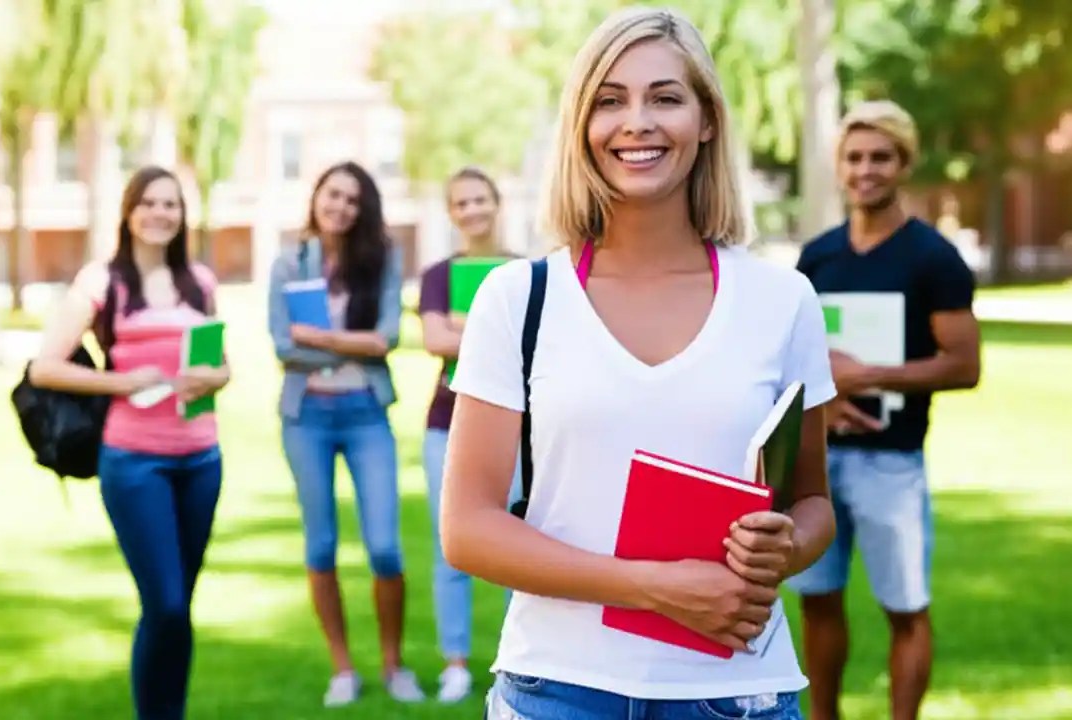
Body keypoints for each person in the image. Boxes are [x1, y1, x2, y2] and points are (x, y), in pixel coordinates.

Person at [440, 7, 840, 719]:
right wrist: (656, 587)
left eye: (665, 97)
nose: (637, 123)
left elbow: (812, 505)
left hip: (736, 694)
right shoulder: (517, 297)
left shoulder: (784, 300)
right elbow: (467, 528)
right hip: (556, 691)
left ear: (707, 119)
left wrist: (785, 546)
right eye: (610, 100)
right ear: (581, 127)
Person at [786, 100, 982, 720]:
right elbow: (798, 355)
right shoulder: (816, 257)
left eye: (880, 157)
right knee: (817, 600)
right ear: (838, 166)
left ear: (904, 164)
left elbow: (963, 365)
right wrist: (832, 399)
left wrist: (866, 375)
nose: (865, 170)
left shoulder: (933, 258)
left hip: (892, 463)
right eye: (854, 157)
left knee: (904, 608)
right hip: (818, 459)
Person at [29, 165, 230, 720]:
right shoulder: (103, 282)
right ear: (129, 212)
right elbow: (44, 367)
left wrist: (214, 377)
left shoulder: (199, 282)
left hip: (201, 458)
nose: (160, 214)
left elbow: (220, 364)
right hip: (135, 461)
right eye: (149, 203)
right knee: (163, 604)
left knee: (178, 608)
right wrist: (122, 382)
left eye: (171, 205)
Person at [267, 161, 421, 707]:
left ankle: (393, 665)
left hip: (365, 414)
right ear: (316, 197)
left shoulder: (381, 261)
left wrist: (321, 336)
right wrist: (348, 341)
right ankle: (343, 668)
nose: (341, 207)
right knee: (322, 543)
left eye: (353, 200)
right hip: (306, 417)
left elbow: (388, 339)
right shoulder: (289, 262)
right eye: (333, 195)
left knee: (383, 548)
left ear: (364, 209)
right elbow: (285, 345)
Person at [416, 167, 519, 703]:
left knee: (521, 546)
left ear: (496, 203)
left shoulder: (527, 269)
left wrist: (464, 333)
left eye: (481, 199)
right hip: (447, 425)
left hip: (521, 430)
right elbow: (435, 339)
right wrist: (495, 334)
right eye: (462, 202)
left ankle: (518, 661)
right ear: (451, 212)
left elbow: (538, 344)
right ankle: (454, 663)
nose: (473, 210)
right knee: (449, 545)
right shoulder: (438, 274)